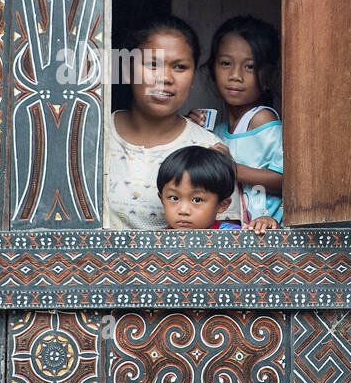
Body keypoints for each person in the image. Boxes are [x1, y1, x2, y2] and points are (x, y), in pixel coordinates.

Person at [107, 15, 242, 229]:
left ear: (193, 78)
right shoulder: (94, 133)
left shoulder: (207, 147)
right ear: (126, 69)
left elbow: (226, 236)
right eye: (153, 64)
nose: (166, 78)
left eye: (179, 67)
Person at [190, 15, 284, 224]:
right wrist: (190, 130)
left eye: (249, 66)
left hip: (267, 231)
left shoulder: (261, 119)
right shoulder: (220, 131)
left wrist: (232, 170)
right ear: (212, 70)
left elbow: (287, 180)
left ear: (268, 76)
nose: (235, 75)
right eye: (225, 63)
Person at [157, 146, 279, 233]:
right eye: (174, 198)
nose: (183, 210)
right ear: (162, 200)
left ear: (222, 205)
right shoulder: (157, 241)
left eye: (197, 200)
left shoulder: (233, 235)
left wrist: (270, 226)